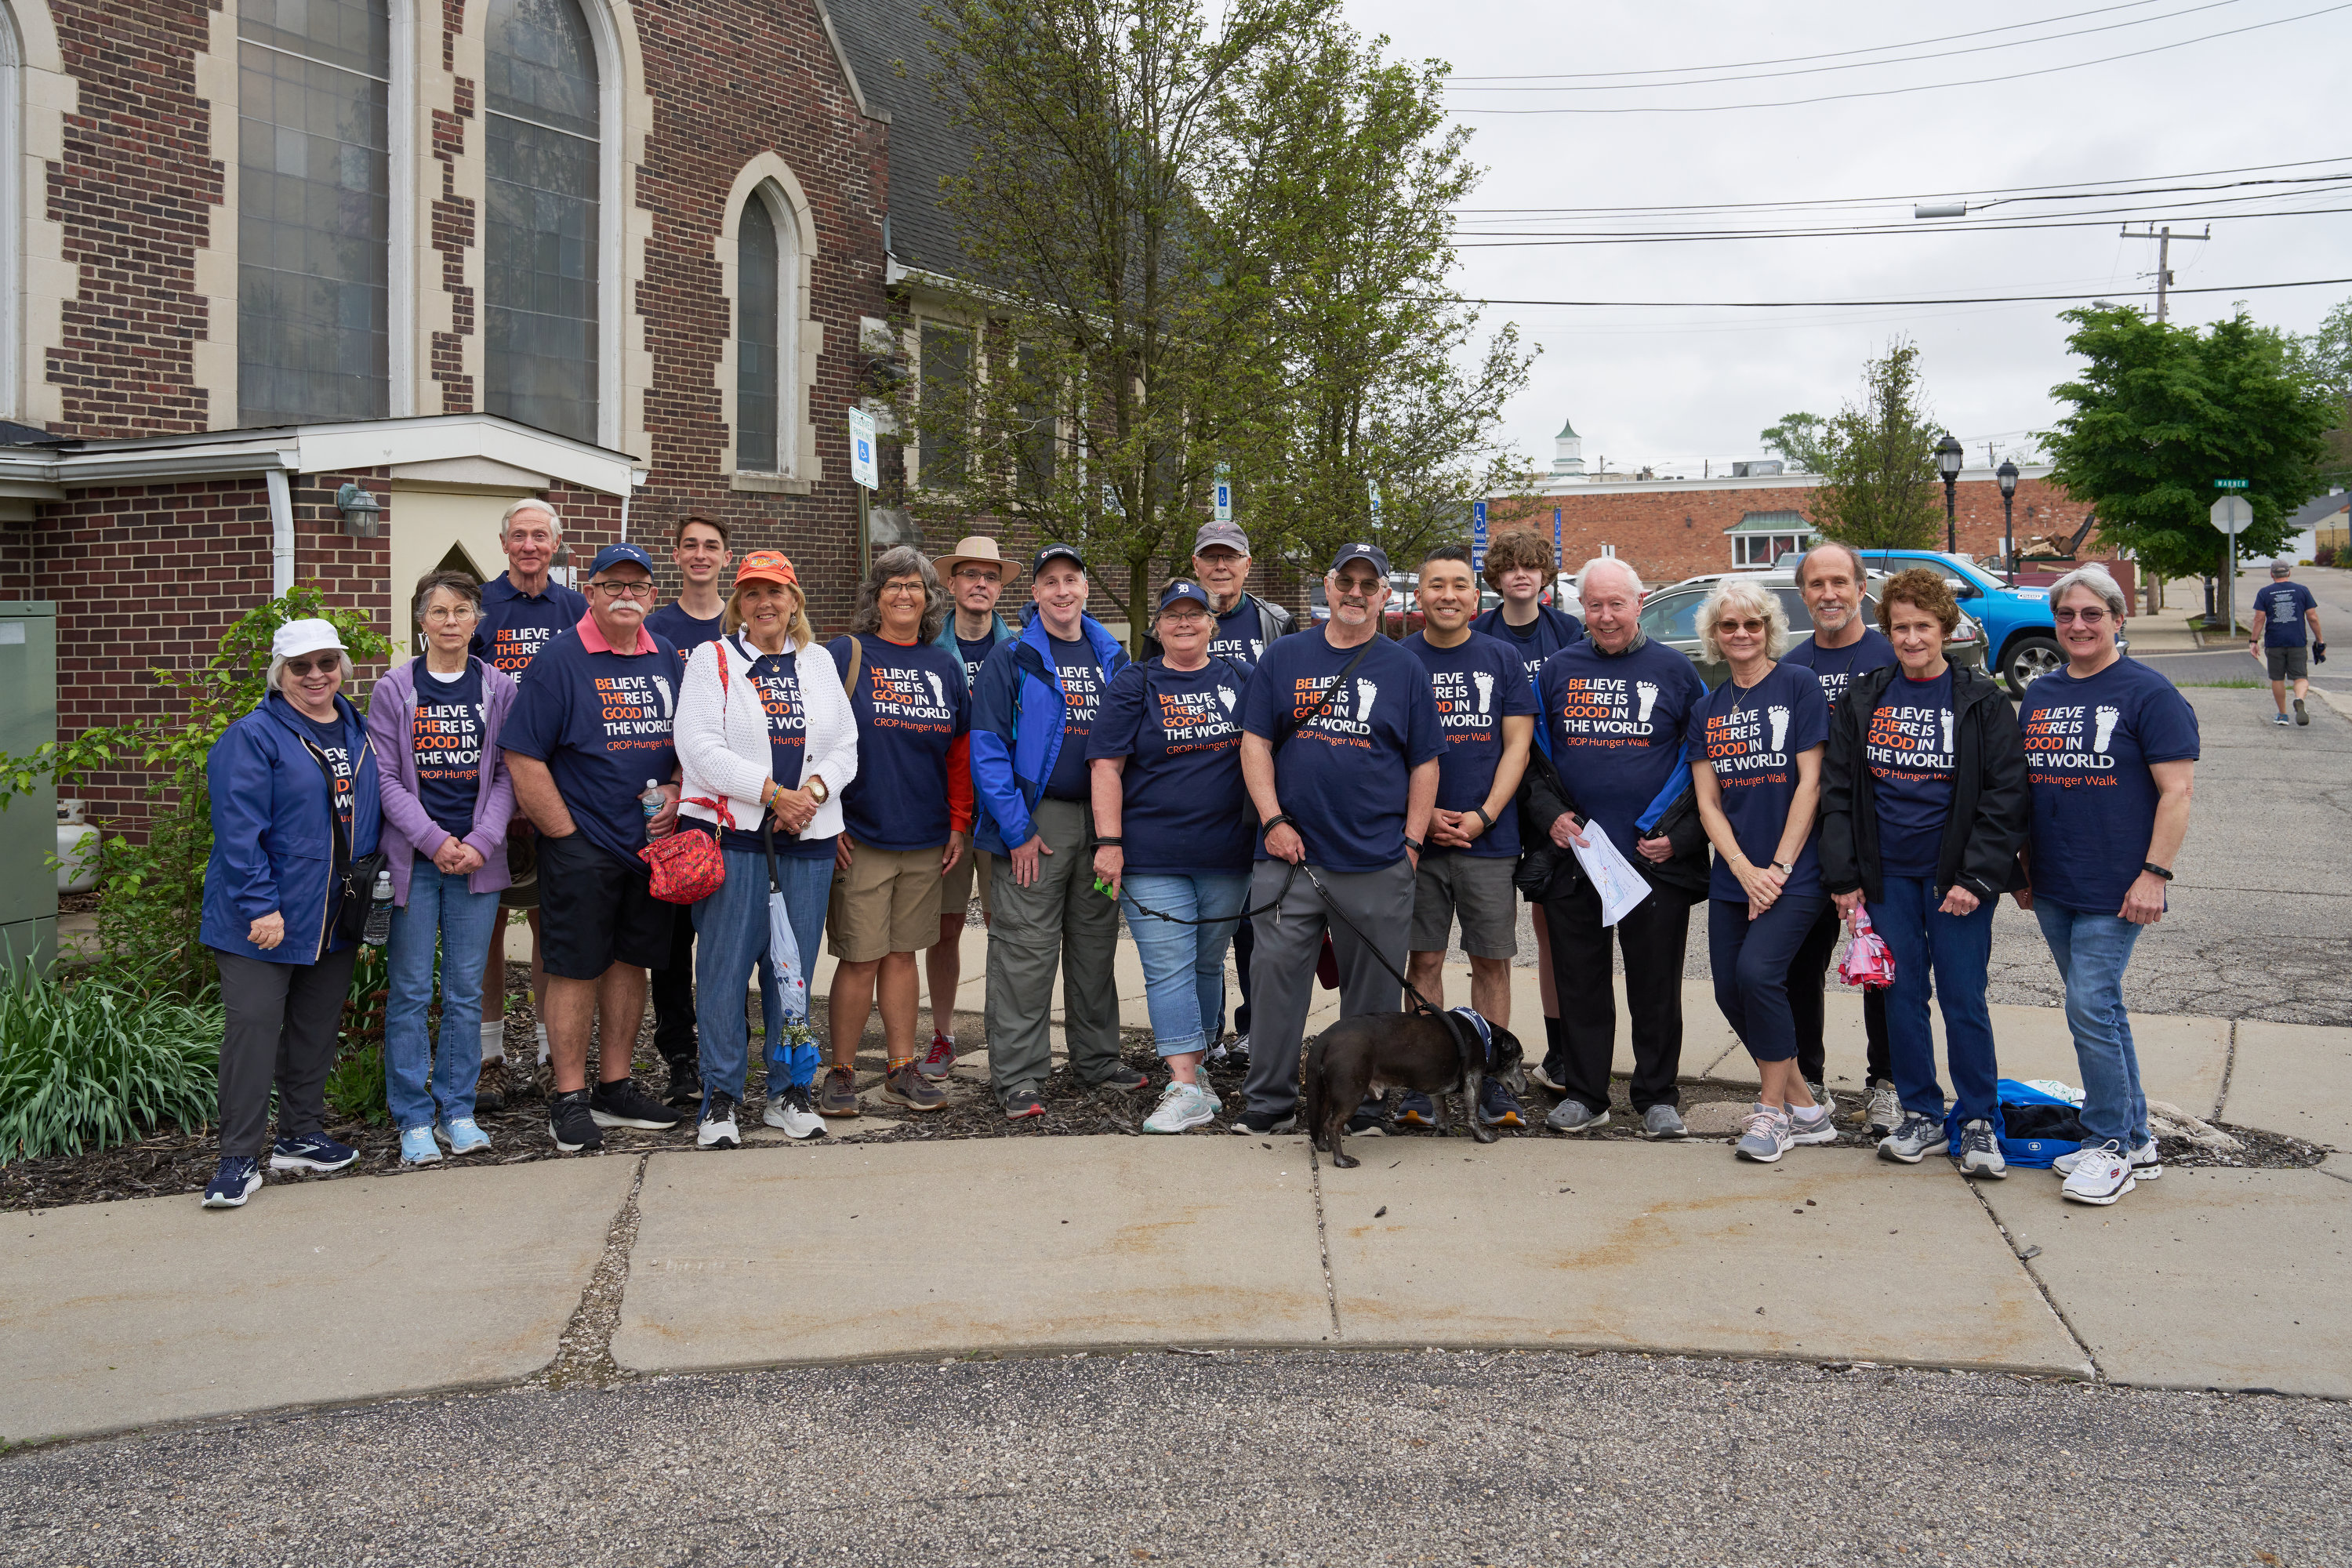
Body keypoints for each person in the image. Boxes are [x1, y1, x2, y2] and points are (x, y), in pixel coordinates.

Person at [1820, 568, 2028, 1179]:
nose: (1912, 638)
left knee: (1964, 999)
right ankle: (1919, 1112)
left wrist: (1978, 877)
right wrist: (1845, 876)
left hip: (1956, 882)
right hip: (1886, 879)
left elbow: (2006, 795)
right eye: (1901, 627)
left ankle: (1978, 1120)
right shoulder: (1864, 697)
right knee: (1900, 998)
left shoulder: (1981, 700)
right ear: (1887, 631)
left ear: (1946, 628)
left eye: (1924, 626)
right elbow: (1838, 793)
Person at [1232, 542, 1443, 1136]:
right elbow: (1255, 743)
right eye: (1345, 582)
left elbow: (1425, 762)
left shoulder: (1404, 667)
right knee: (1274, 985)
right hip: (1287, 858)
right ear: (1327, 588)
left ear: (1384, 596)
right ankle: (1269, 1103)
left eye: (1367, 585)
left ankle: (1364, 1108)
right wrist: (1273, 821)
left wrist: (1412, 843)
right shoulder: (1285, 658)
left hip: (1376, 861)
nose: (1355, 593)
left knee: (1372, 1002)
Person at [2019, 564, 2199, 1205]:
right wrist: (2021, 870)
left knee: (2090, 1005)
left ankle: (2108, 1146)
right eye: (2067, 615)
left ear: (2118, 620)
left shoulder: (2149, 693)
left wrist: (2155, 874)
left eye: (2092, 614)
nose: (2078, 626)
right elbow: (2025, 789)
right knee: (2101, 1010)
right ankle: (2138, 1137)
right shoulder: (2040, 693)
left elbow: (2176, 792)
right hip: (2053, 881)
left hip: (2120, 884)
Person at [499, 542, 688, 1152]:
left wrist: (680, 792)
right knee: (575, 968)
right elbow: (524, 754)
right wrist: (566, 834)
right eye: (614, 585)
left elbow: (689, 744)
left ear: (653, 596)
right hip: (583, 845)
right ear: (591, 591)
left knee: (631, 962)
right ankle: (569, 1096)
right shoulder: (561, 660)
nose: (626, 596)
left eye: (638, 586)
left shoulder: (666, 658)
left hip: (649, 850)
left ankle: (615, 1086)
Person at [673, 550, 858, 1149]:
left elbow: (847, 743)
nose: (765, 604)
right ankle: (721, 1098)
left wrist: (811, 793)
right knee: (725, 973)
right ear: (739, 604)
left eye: (776, 592)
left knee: (793, 975)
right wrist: (774, 793)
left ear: (794, 602)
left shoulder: (820, 661)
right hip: (735, 841)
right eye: (752, 593)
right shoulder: (714, 658)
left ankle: (788, 1091)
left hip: (807, 841)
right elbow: (698, 746)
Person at [196, 619, 382, 1208]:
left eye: (327, 663)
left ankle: (299, 1135)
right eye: (301, 666)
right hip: (263, 917)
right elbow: (237, 832)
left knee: (314, 1029)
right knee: (252, 1031)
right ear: (280, 674)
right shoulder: (252, 737)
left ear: (342, 669)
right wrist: (261, 906)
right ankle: (237, 1158)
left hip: (334, 911)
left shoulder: (361, 732)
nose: (315, 676)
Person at [1527, 557, 1708, 1139]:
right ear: (1582, 607)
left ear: (1641, 601)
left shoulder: (1677, 672)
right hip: (1576, 856)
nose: (1605, 617)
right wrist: (1551, 816)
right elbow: (1528, 761)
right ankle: (1585, 1093)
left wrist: (1675, 837)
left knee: (1655, 984)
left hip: (1651, 859)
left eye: (1617, 604)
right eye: (1594, 605)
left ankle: (1657, 1096)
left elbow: (1705, 764)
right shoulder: (1556, 671)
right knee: (1580, 980)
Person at [972, 545, 1137, 1120]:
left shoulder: (1113, 657)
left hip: (1101, 823)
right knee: (1026, 950)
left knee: (1094, 946)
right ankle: (1019, 1075)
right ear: (1036, 594)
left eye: (1072, 579)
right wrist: (1017, 829)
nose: (1062, 591)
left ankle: (1098, 1060)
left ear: (1086, 587)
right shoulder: (1012, 657)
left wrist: (1117, 832)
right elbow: (988, 750)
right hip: (1037, 822)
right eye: (1050, 582)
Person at [1090, 579, 1252, 1134]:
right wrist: (1108, 844)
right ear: (1156, 627)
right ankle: (1183, 1084)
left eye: (1195, 613)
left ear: (1213, 623)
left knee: (1207, 964)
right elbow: (1106, 766)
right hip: (1152, 854)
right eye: (1172, 615)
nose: (1184, 622)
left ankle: (1199, 1073)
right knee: (1169, 968)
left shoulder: (1240, 680)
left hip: (1228, 854)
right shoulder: (1135, 683)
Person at [1684, 577, 1835, 1163]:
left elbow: (1812, 783)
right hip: (1736, 872)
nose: (1741, 634)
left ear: (1768, 629)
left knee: (1759, 975)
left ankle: (1772, 1114)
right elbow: (1707, 803)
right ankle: (1807, 1108)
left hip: (1796, 870)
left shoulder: (1798, 686)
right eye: (1729, 626)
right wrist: (1744, 869)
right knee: (1728, 990)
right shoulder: (1707, 707)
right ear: (1715, 637)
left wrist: (1777, 866)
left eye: (1752, 624)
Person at [369, 573, 517, 1167]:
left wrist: (481, 840)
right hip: (417, 861)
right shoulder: (395, 688)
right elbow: (382, 776)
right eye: (438, 611)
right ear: (421, 621)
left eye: (461, 611)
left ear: (476, 620)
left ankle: (457, 1109)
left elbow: (510, 772)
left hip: (478, 862)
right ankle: (411, 1118)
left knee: (462, 992)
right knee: (408, 992)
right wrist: (433, 841)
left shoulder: (499, 687)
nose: (450, 621)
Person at [822, 546, 973, 1118]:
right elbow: (816, 738)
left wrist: (959, 821)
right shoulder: (847, 654)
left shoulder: (942, 666)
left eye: (915, 586)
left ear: (930, 599)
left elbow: (958, 753)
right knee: (860, 957)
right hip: (861, 834)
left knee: (904, 954)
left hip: (926, 836)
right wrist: (826, 817)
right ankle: (840, 1071)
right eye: (893, 586)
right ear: (876, 596)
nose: (904, 594)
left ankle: (900, 1068)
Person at [1144, 520, 1298, 1068]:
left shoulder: (1275, 622)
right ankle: (1205, 1040)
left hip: (1257, 807)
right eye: (1210, 558)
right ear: (1196, 564)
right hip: (1198, 810)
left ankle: (1254, 1030)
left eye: (1230, 558)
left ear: (1247, 564)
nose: (1220, 567)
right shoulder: (1171, 623)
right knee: (1207, 940)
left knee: (1259, 927)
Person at [1396, 544, 1535, 1131]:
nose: (1448, 595)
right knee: (1422, 958)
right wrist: (1423, 817)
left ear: (1476, 598)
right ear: (1419, 596)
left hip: (1489, 842)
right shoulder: (1396, 660)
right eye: (1436, 585)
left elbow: (1518, 746)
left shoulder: (1501, 659)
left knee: (1491, 962)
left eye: (1459, 585)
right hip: (1418, 842)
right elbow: (1387, 752)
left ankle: (1492, 1079)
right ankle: (1424, 1083)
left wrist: (1483, 815)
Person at [468, 498, 588, 1110]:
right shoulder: (480, 607)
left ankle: (548, 1053)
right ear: (504, 542)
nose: (530, 546)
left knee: (550, 925)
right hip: (486, 793)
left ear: (556, 543)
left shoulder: (575, 608)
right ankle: (489, 1057)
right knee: (484, 929)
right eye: (519, 536)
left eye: (541, 536)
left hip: (552, 791)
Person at [1780, 541, 1900, 1133]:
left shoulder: (1891, 657)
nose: (1828, 594)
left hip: (1882, 839)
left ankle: (1888, 1082)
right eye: (1816, 584)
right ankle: (1811, 1076)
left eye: (1839, 582)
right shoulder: (1793, 668)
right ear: (1803, 595)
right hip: (1809, 840)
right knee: (1803, 964)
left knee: (1883, 966)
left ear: (1860, 588)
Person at [1468, 528, 1584, 1093]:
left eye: (1531, 566)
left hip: (1546, 794)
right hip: (1489, 788)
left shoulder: (1568, 633)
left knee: (1551, 930)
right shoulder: (1476, 634)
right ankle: (1475, 1053)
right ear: (1495, 577)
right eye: (1510, 566)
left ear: (1545, 575)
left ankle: (1560, 1051)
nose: (1521, 574)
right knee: (1489, 939)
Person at [641, 514, 737, 1107]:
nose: (701, 555)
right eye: (690, 546)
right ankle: (680, 1057)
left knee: (729, 940)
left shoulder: (745, 621)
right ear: (675, 556)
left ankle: (729, 1048)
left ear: (727, 557)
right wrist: (670, 785)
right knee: (671, 942)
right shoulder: (655, 627)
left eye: (712, 547)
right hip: (674, 805)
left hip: (737, 809)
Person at [919, 535, 1019, 1080]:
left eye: (990, 576)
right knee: (946, 926)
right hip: (946, 814)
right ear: (952, 584)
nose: (980, 584)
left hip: (1003, 814)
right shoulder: (928, 649)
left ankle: (1008, 1036)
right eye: (969, 575)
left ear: (1001, 588)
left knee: (1009, 928)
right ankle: (942, 1034)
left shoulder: (1023, 651)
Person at [2248, 559, 2323, 728]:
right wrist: (2320, 640)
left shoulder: (2265, 593)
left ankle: (2283, 715)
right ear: (2289, 573)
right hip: (2297, 641)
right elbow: (2312, 617)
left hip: (2275, 642)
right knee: (2300, 677)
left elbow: (2259, 618)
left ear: (2271, 574)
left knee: (2277, 678)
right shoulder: (2302, 590)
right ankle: (2299, 699)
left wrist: (2253, 641)